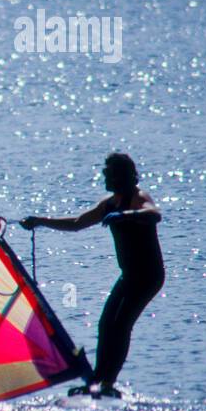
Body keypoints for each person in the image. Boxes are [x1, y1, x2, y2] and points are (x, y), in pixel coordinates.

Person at [20, 153, 163, 398]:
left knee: (121, 325)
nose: (104, 178)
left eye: (108, 174)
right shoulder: (109, 204)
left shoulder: (138, 198)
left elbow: (154, 214)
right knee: (106, 324)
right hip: (128, 275)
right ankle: (98, 379)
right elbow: (77, 222)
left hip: (148, 276)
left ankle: (107, 382)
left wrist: (125, 216)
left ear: (122, 175)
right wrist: (39, 221)